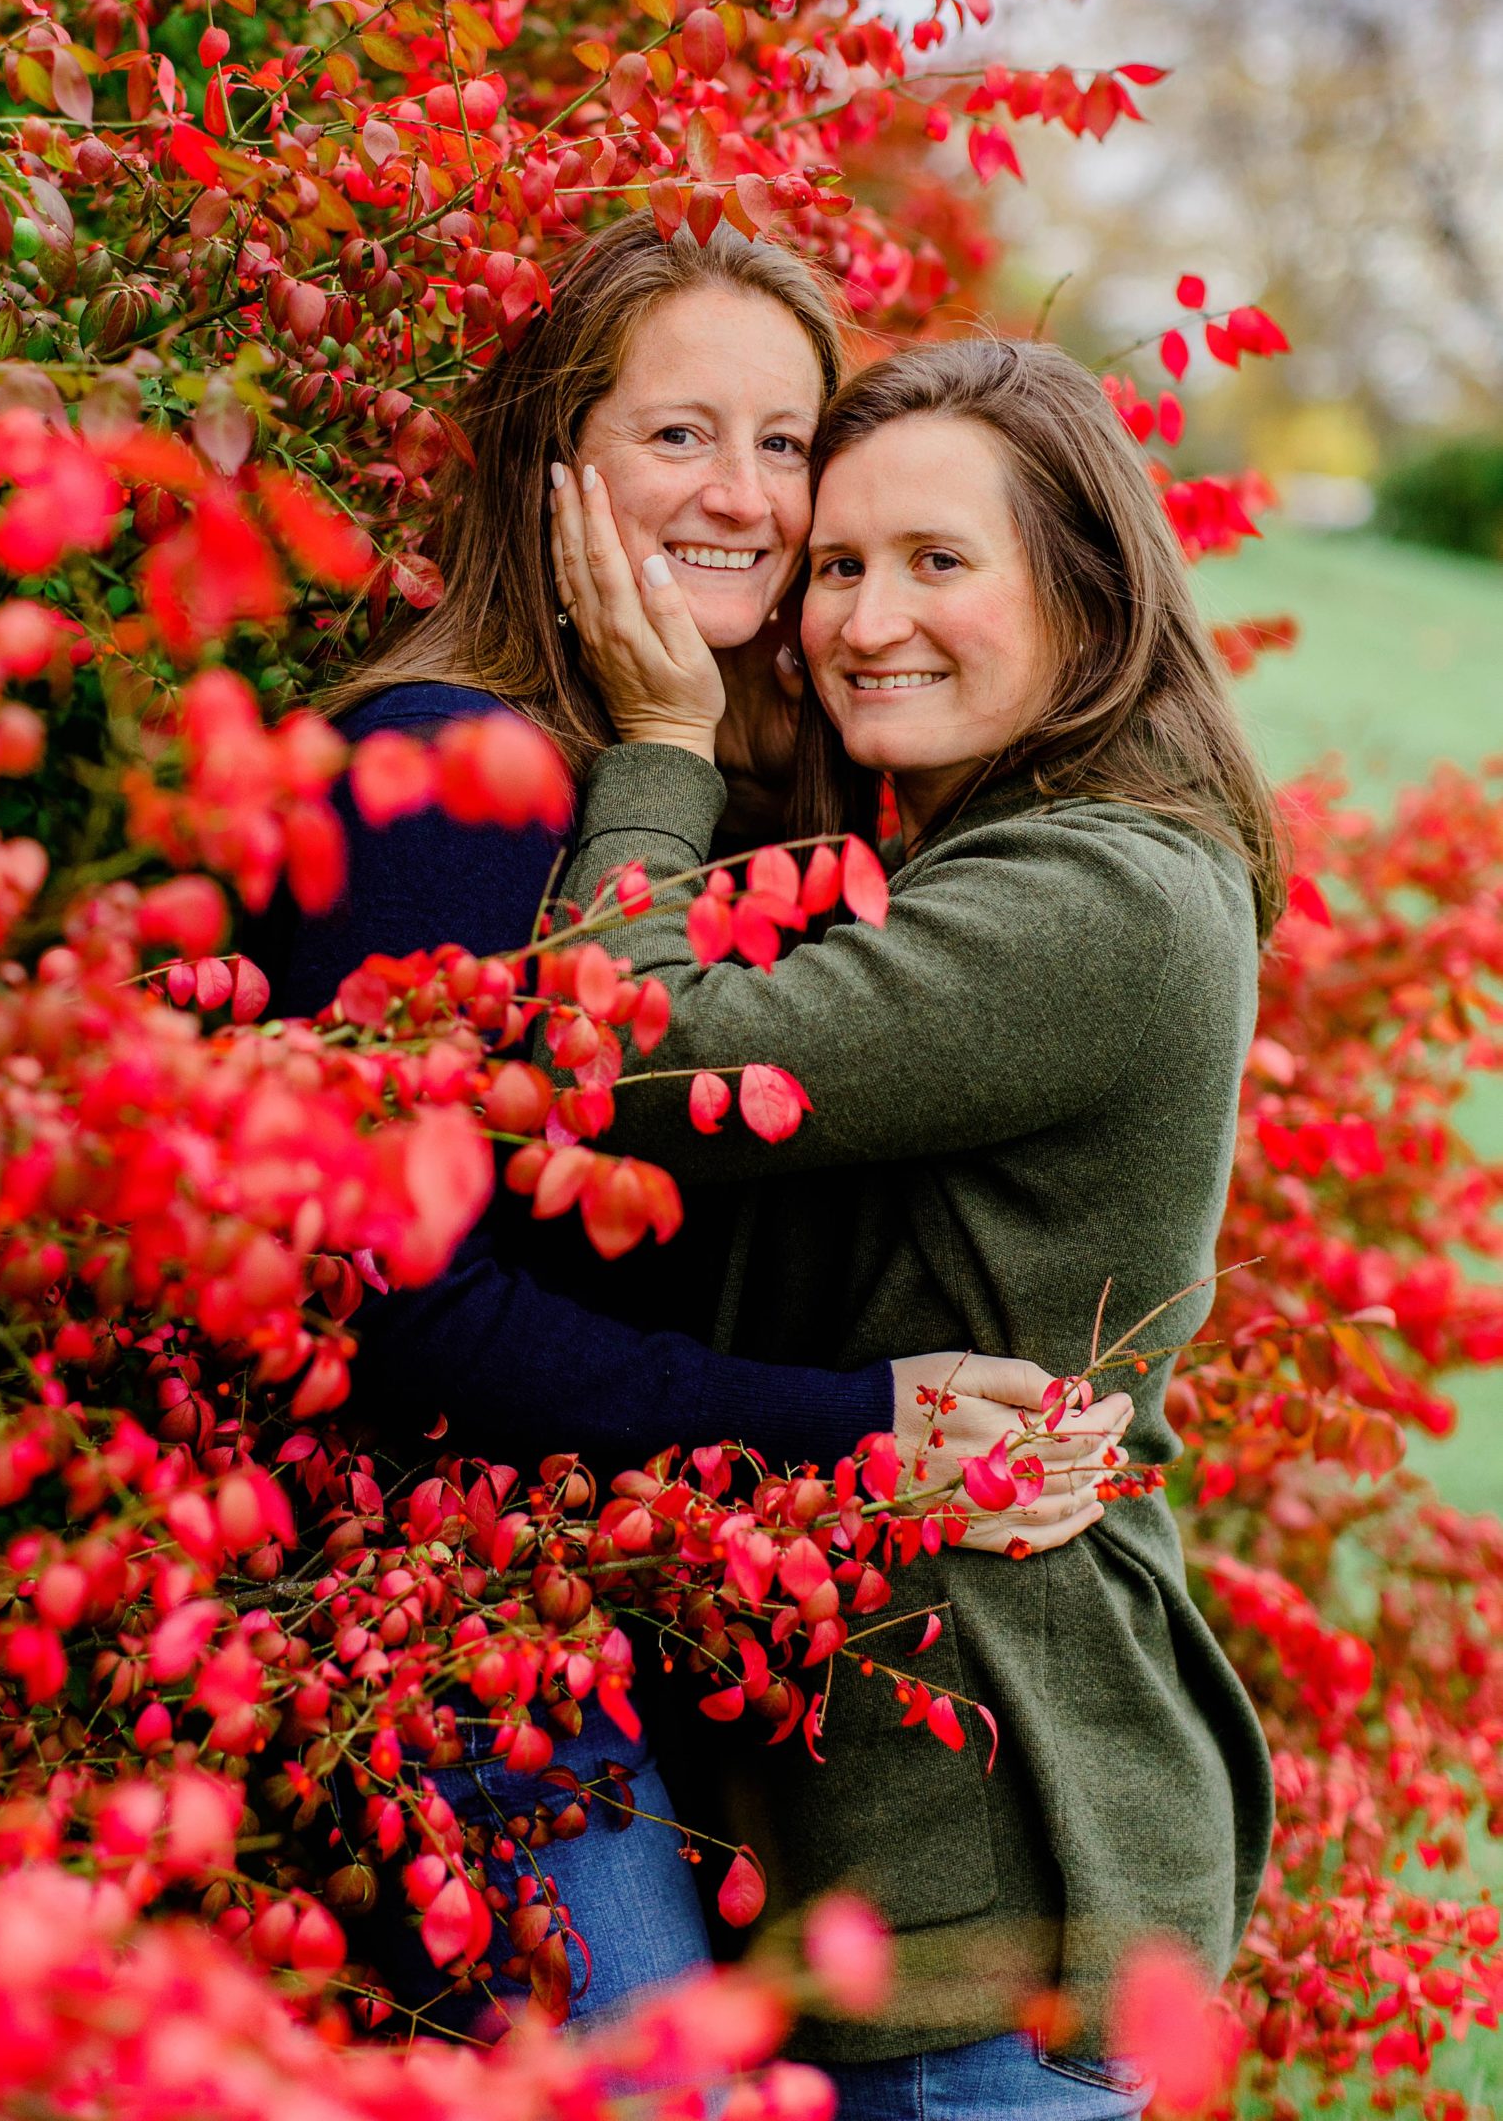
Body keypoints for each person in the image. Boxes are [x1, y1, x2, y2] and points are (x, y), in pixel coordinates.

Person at [256, 227, 1133, 2039]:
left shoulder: (694, 793)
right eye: (680, 438)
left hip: (605, 1624)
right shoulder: (435, 769)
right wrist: (859, 1433)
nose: (747, 497)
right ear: (546, 463)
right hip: (441, 1650)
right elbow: (404, 1318)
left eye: (787, 441)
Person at [548, 334, 1282, 2115]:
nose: (868, 619)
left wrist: (660, 743)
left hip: (987, 1884)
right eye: (840, 567)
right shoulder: (965, 857)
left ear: (1092, 605)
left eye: (940, 562)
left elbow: (626, 1071)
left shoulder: (1107, 895)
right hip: (880, 1851)